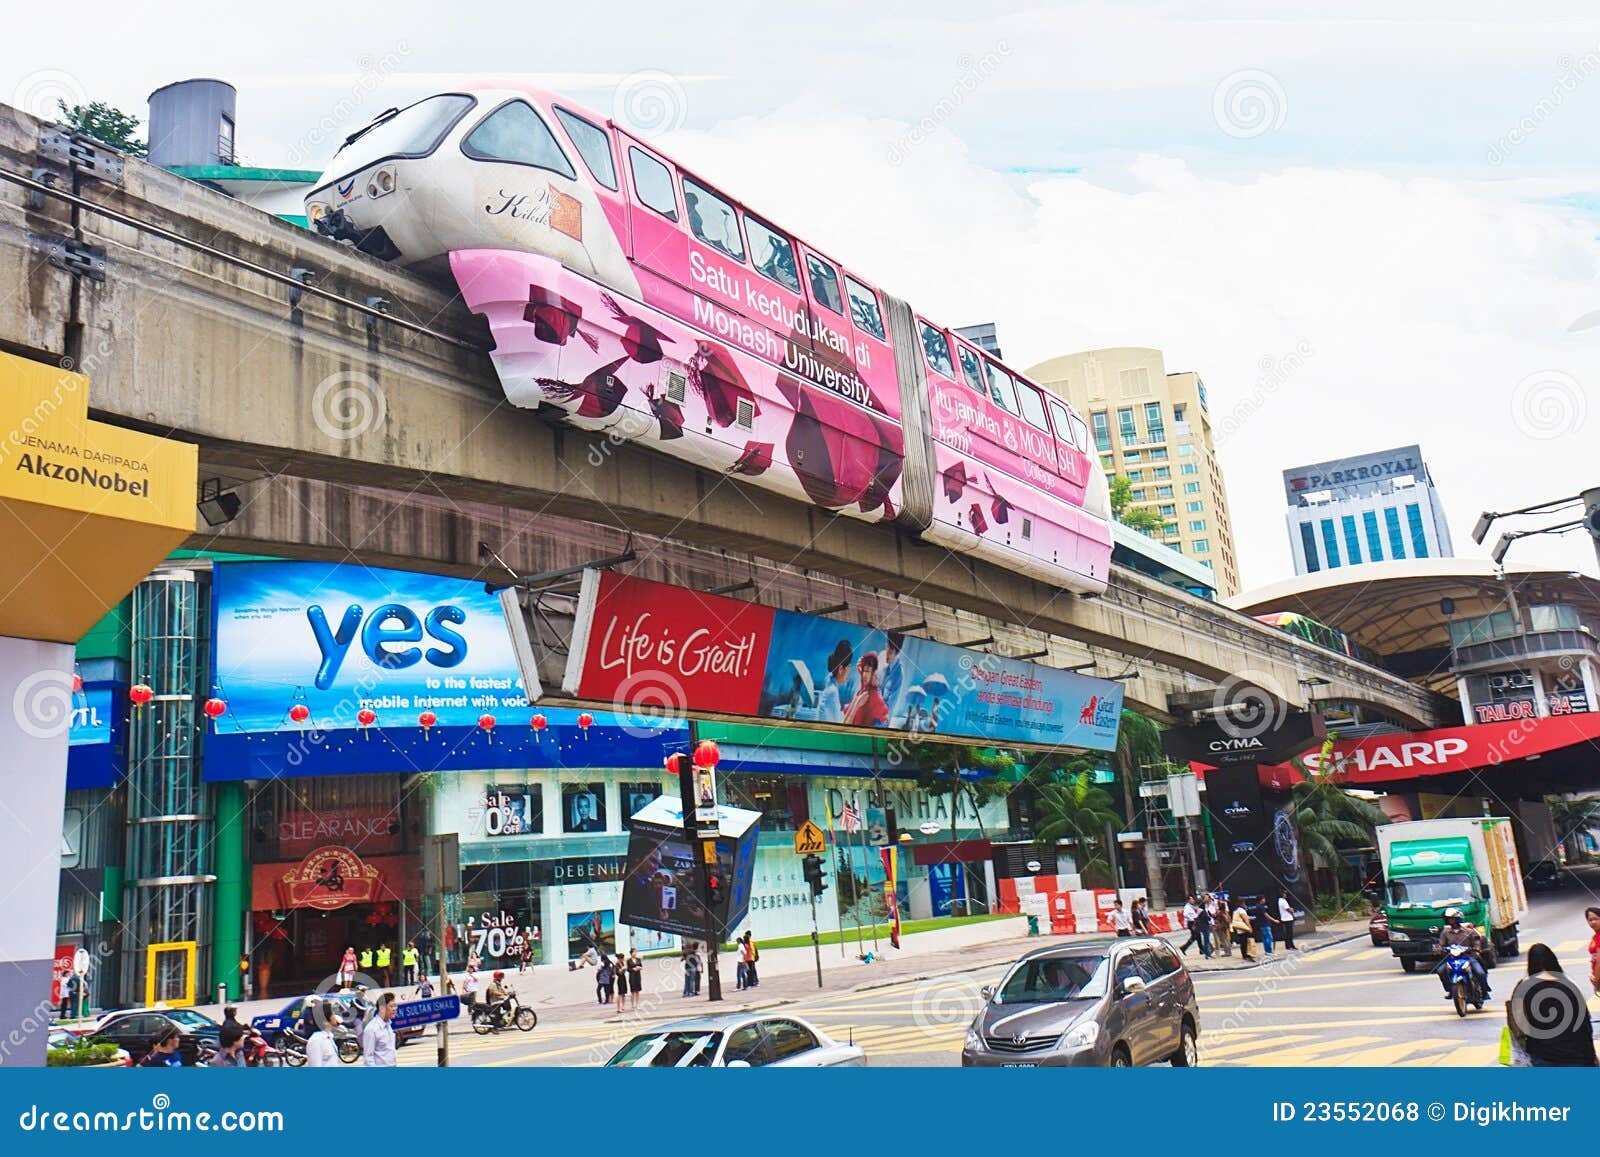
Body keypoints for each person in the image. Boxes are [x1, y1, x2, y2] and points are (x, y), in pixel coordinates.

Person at [1508, 944, 1597, 1067]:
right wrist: (1591, 1055)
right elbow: (1585, 1024)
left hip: (1542, 1057)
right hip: (1577, 1056)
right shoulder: (1569, 985)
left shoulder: (1522, 989)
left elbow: (1518, 1028)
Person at [1434, 907, 1490, 1000]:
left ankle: (1484, 992)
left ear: (1458, 918)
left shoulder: (1468, 930)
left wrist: (1476, 948)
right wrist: (1439, 949)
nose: (1450, 920)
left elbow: (1476, 940)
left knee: (1480, 973)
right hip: (1452, 958)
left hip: (1468, 957)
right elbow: (1442, 944)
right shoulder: (1445, 932)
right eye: (1448, 919)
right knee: (1440, 971)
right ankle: (1450, 990)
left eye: (1452, 918)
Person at [843, 652, 889, 727]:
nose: (864, 674)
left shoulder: (874, 696)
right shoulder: (863, 690)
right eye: (864, 671)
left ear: (874, 674)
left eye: (867, 671)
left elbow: (885, 718)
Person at [815, 640, 853, 724]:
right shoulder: (832, 693)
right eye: (849, 666)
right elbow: (839, 727)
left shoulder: (831, 689)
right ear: (840, 669)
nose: (850, 671)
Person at [361, 992, 397, 1067]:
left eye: (395, 1006)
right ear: (382, 1008)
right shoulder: (372, 1029)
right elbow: (368, 1058)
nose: (394, 1009)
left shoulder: (388, 1025)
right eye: (391, 1006)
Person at [1586, 907, 1600, 994]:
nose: (1593, 922)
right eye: (1590, 920)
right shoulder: (1596, 936)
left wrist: (1596, 981)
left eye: (1596, 919)